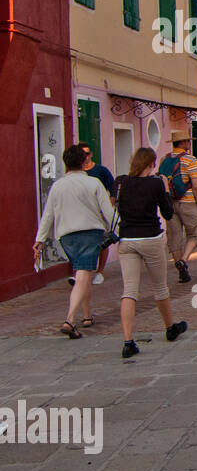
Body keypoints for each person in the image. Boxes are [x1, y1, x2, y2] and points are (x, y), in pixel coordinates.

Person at [33, 145, 115, 338]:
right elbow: (109, 213)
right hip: (90, 233)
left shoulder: (57, 186)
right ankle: (70, 319)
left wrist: (40, 239)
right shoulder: (94, 183)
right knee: (83, 274)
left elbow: (48, 215)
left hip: (66, 237)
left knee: (82, 273)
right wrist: (120, 231)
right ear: (84, 162)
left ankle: (87, 316)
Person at [113, 147, 188, 358]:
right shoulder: (155, 183)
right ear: (150, 164)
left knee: (129, 290)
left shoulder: (120, 182)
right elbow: (167, 212)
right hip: (150, 238)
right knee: (160, 287)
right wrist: (164, 189)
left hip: (127, 240)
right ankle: (170, 327)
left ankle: (128, 340)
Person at [159, 130, 197, 283]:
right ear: (183, 143)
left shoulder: (164, 159)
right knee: (194, 234)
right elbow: (195, 185)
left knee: (174, 237)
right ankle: (183, 260)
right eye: (188, 141)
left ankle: (180, 269)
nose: (189, 144)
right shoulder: (191, 160)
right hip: (187, 201)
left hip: (169, 202)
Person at [74, 143, 114, 288]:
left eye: (87, 153)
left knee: (102, 242)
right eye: (81, 154)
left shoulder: (100, 171)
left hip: (100, 214)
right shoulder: (75, 173)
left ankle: (99, 271)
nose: (85, 157)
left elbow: (113, 189)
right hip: (82, 213)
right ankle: (83, 271)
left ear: (91, 154)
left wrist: (107, 209)